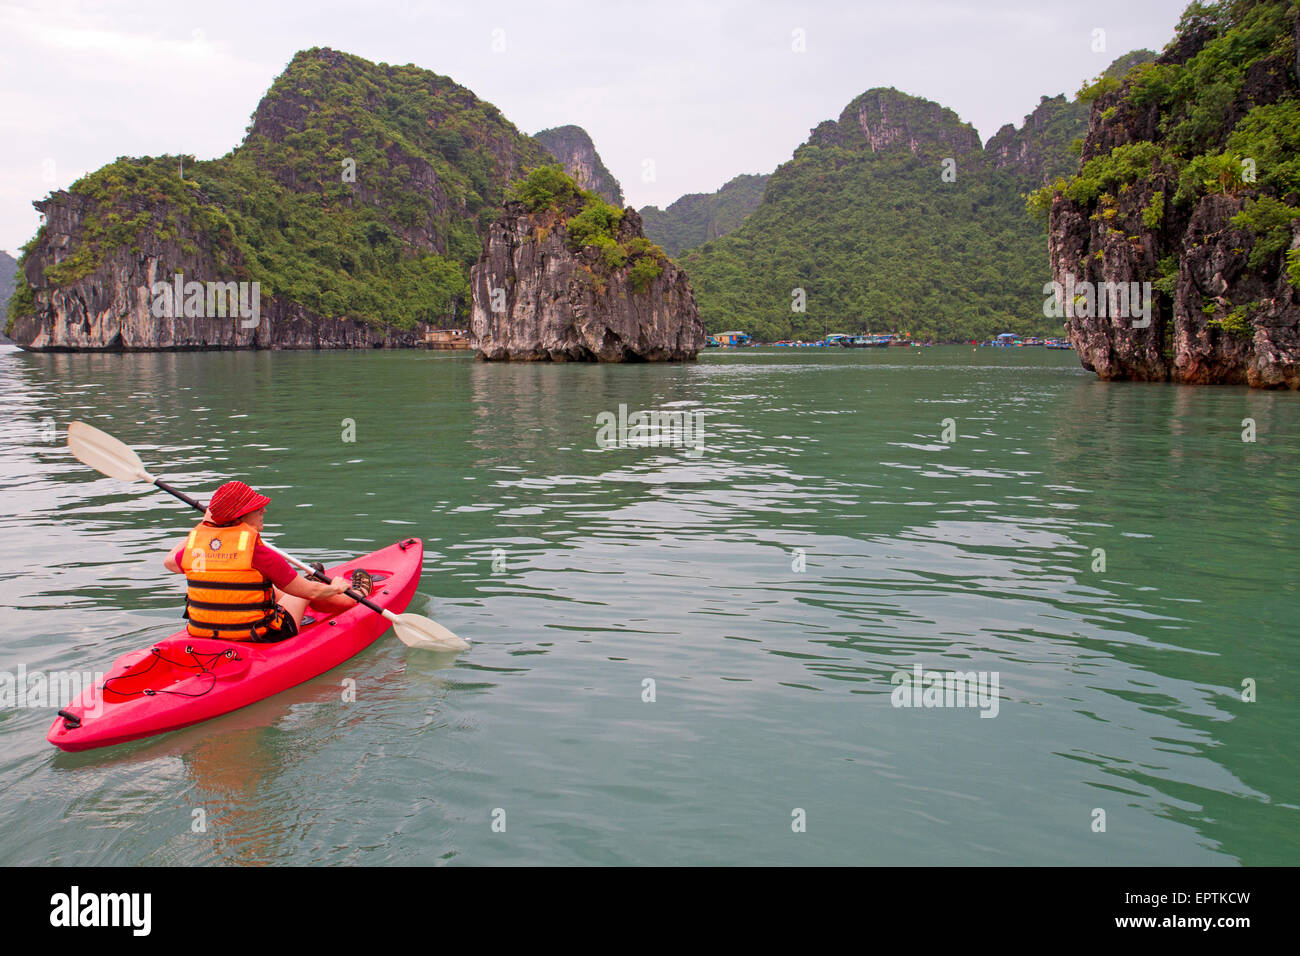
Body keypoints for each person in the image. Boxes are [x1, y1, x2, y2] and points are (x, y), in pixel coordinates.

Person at [163, 480, 372, 643]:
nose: (264, 510)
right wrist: (335, 587)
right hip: (262, 635)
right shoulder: (258, 553)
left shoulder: (198, 549)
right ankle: (355, 596)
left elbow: (169, 561)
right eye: (257, 508)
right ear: (240, 518)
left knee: (258, 582)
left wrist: (203, 528)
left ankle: (304, 583)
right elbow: (313, 593)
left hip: (204, 633)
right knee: (309, 589)